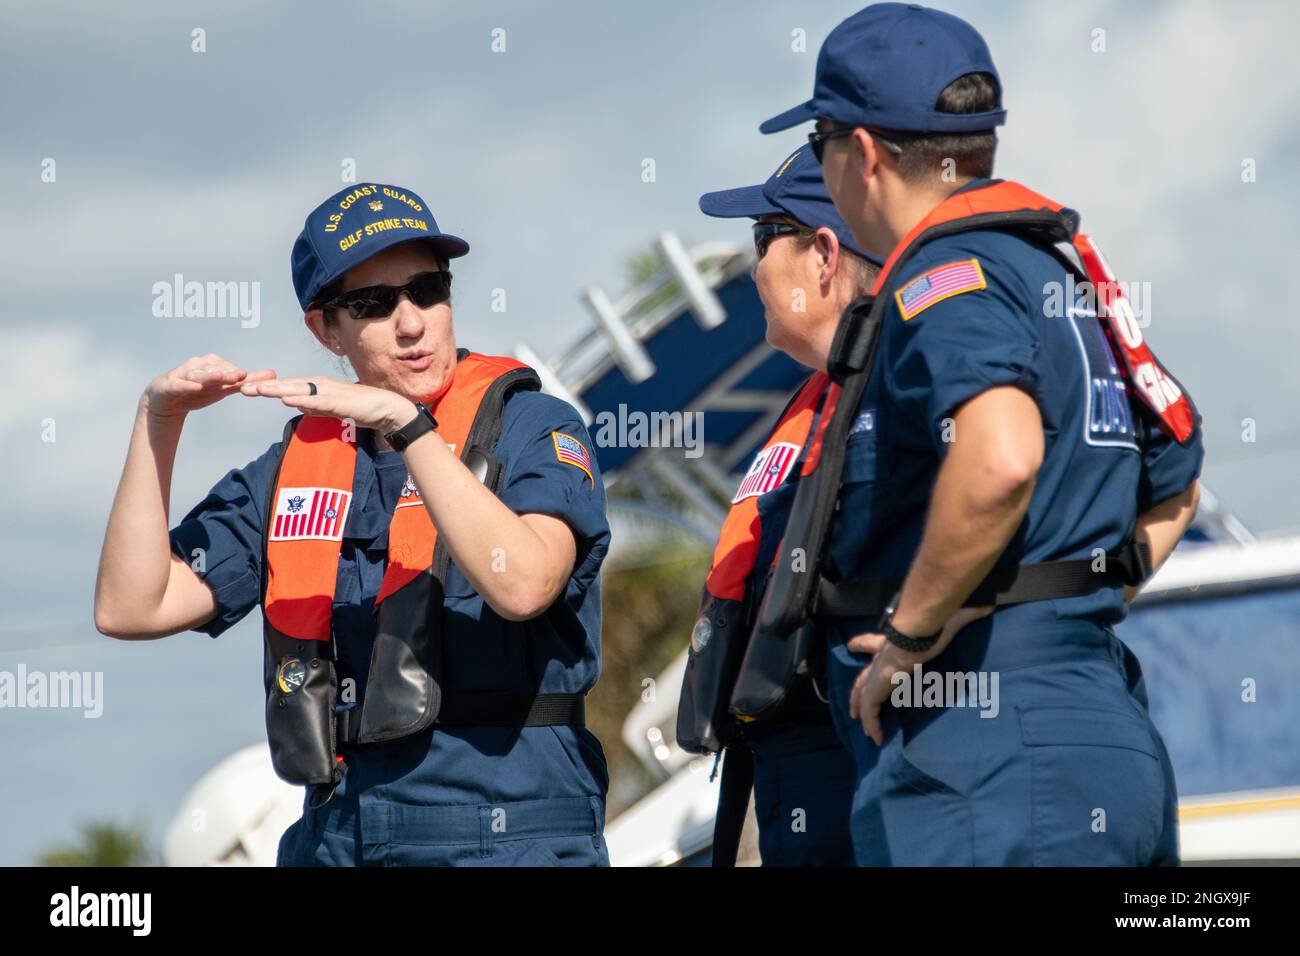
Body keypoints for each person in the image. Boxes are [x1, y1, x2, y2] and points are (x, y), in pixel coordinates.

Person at [757, 3, 1205, 865]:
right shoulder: (1053, 272)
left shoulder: (943, 275)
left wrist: (914, 637)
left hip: (989, 751)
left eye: (819, 144)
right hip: (1100, 729)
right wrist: (1057, 599)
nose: (821, 167)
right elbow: (1175, 482)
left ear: (868, 153)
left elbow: (999, 459)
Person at [95, 182, 612, 866]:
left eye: (427, 289)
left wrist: (408, 425)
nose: (411, 322)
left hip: (509, 829)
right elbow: (132, 605)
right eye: (372, 304)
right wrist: (157, 423)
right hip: (342, 833)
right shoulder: (294, 470)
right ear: (325, 331)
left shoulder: (530, 426)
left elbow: (523, 585)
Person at [679, 146, 881, 866]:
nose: (752, 267)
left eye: (763, 238)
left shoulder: (907, 386)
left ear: (823, 256)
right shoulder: (816, 405)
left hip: (865, 776)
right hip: (791, 780)